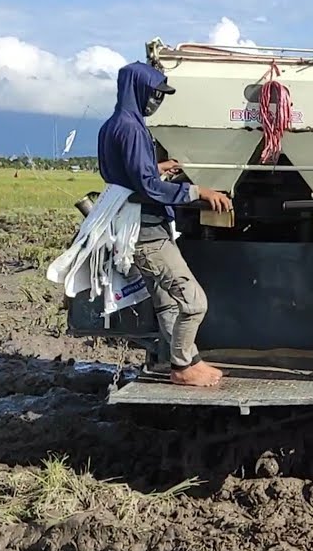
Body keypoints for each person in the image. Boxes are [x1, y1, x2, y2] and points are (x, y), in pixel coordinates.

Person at [98, 61, 232, 387]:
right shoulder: (130, 128)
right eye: (155, 94)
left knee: (167, 302)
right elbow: (148, 188)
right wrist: (199, 191)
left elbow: (123, 176)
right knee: (194, 301)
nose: (157, 101)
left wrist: (156, 167)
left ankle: (186, 362)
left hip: (134, 226)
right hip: (146, 232)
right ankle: (183, 366)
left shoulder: (115, 124)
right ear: (139, 89)